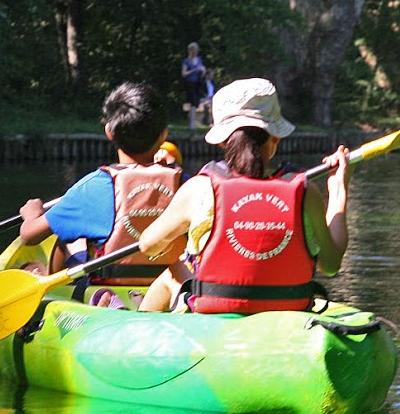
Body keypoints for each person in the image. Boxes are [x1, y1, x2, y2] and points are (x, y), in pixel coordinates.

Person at [137, 78, 351, 314]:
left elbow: (148, 245)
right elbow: (331, 265)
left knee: (175, 270)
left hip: (213, 307)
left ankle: (135, 331)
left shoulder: (199, 188)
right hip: (288, 311)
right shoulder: (305, 192)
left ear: (221, 141)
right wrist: (338, 189)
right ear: (275, 138)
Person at [18, 82, 185, 300]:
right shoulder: (189, 184)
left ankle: (59, 295)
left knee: (67, 238)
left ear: (109, 132)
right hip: (171, 285)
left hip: (110, 285)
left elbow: (29, 236)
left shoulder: (93, 187)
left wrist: (33, 214)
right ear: (164, 136)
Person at [181, 42, 208, 129]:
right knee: (193, 102)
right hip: (189, 83)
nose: (194, 52)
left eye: (195, 50)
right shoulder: (186, 61)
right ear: (189, 51)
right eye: (192, 50)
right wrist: (194, 70)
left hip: (198, 83)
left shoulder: (199, 59)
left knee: (197, 101)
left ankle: (195, 122)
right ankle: (191, 124)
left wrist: (203, 71)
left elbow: (202, 73)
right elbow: (184, 73)